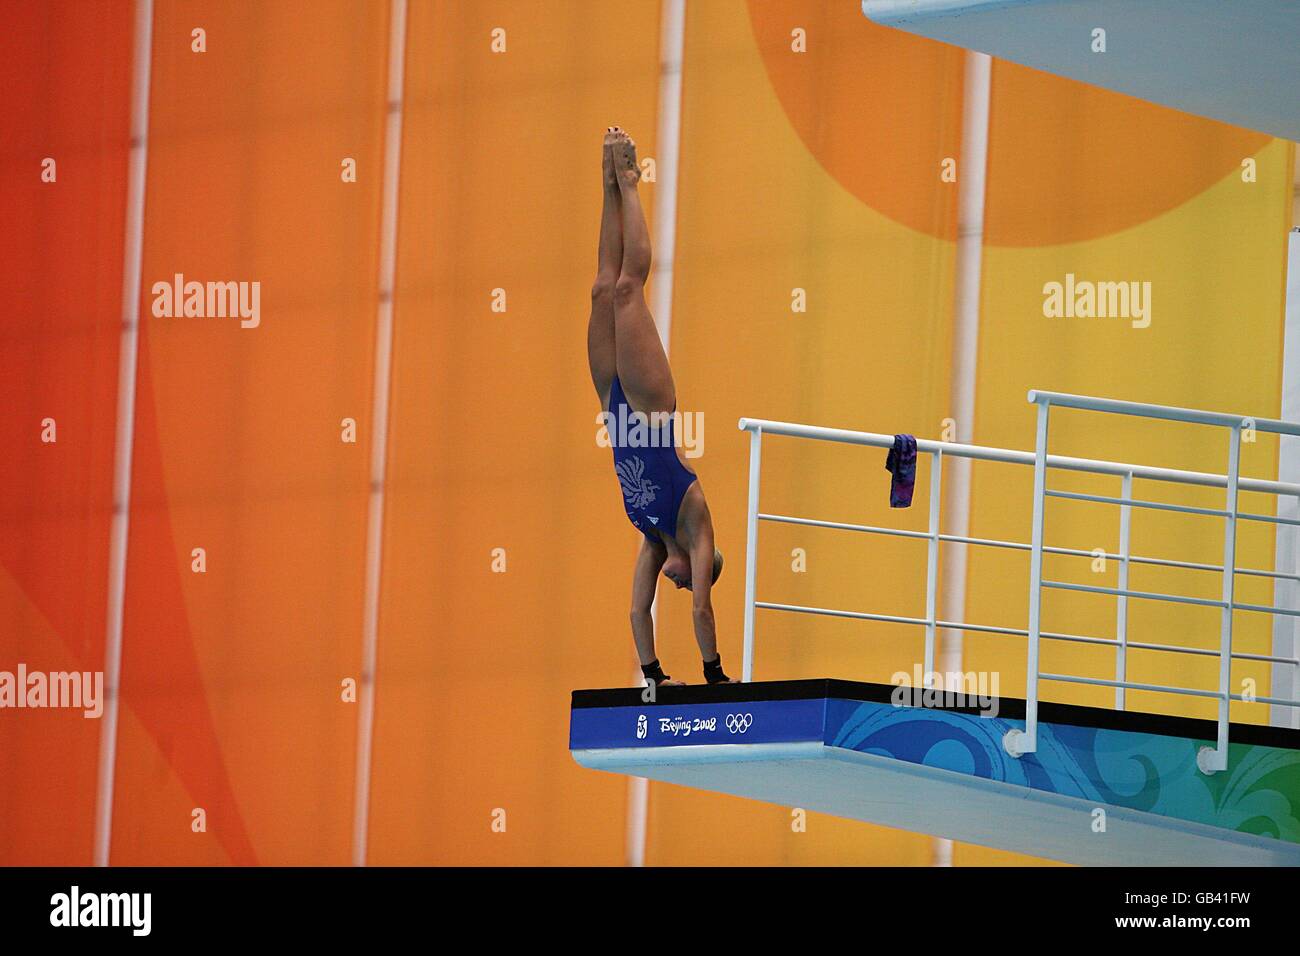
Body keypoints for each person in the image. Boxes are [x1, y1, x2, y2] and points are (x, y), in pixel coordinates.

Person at [588, 127, 734, 687]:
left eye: (674, 582)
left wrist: (652, 673)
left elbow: (633, 612)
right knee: (629, 289)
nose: (675, 586)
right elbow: (702, 608)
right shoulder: (696, 522)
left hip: (613, 405)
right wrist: (713, 674)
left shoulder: (650, 534)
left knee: (602, 289)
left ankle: (606, 184)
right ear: (703, 565)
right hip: (650, 408)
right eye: (689, 579)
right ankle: (630, 181)